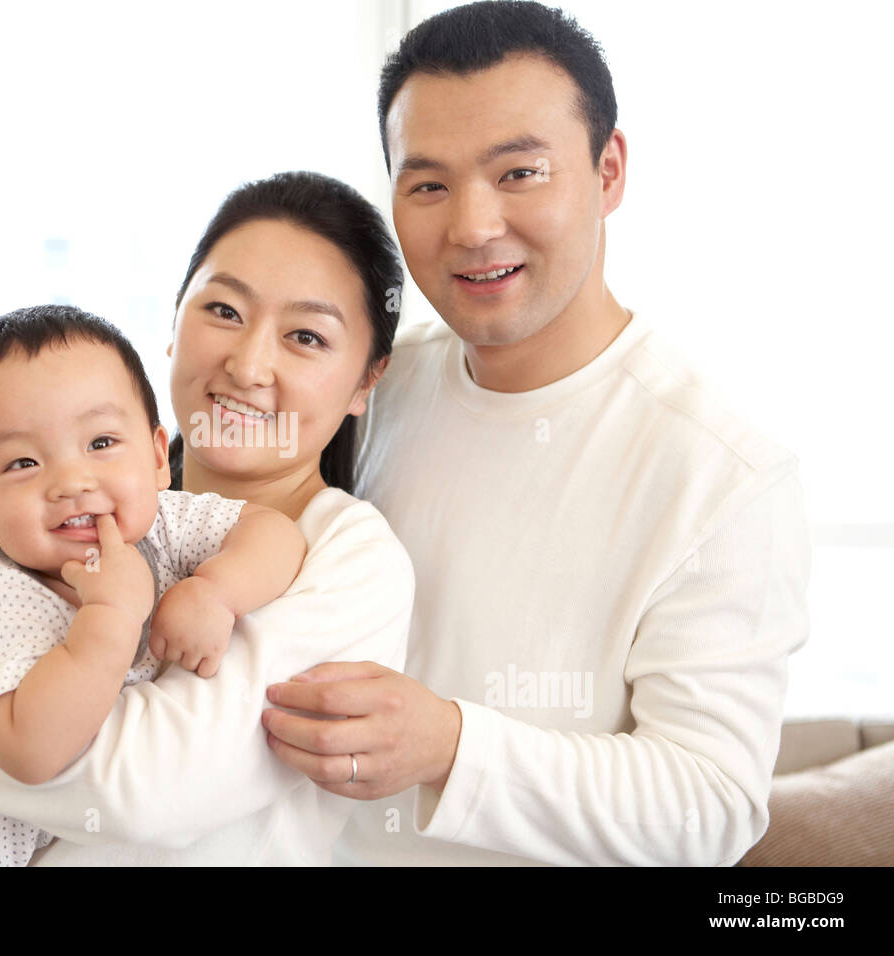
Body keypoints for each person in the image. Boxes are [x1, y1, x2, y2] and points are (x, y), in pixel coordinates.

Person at [262, 1, 811, 865]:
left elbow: (710, 808)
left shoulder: (724, 476)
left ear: (609, 170)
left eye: (519, 173)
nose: (473, 227)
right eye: (429, 185)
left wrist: (448, 745)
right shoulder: (370, 386)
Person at [0, 170, 416, 866]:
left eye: (305, 335)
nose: (247, 364)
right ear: (173, 324)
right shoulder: (92, 514)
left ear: (366, 380)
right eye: (224, 312)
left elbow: (137, 787)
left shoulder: (349, 556)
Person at [0, 305, 307, 866]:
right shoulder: (1, 595)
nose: (71, 482)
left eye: (100, 443)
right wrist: (111, 618)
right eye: (23, 461)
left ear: (159, 457)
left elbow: (274, 534)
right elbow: (31, 751)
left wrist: (216, 590)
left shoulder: (163, 522)